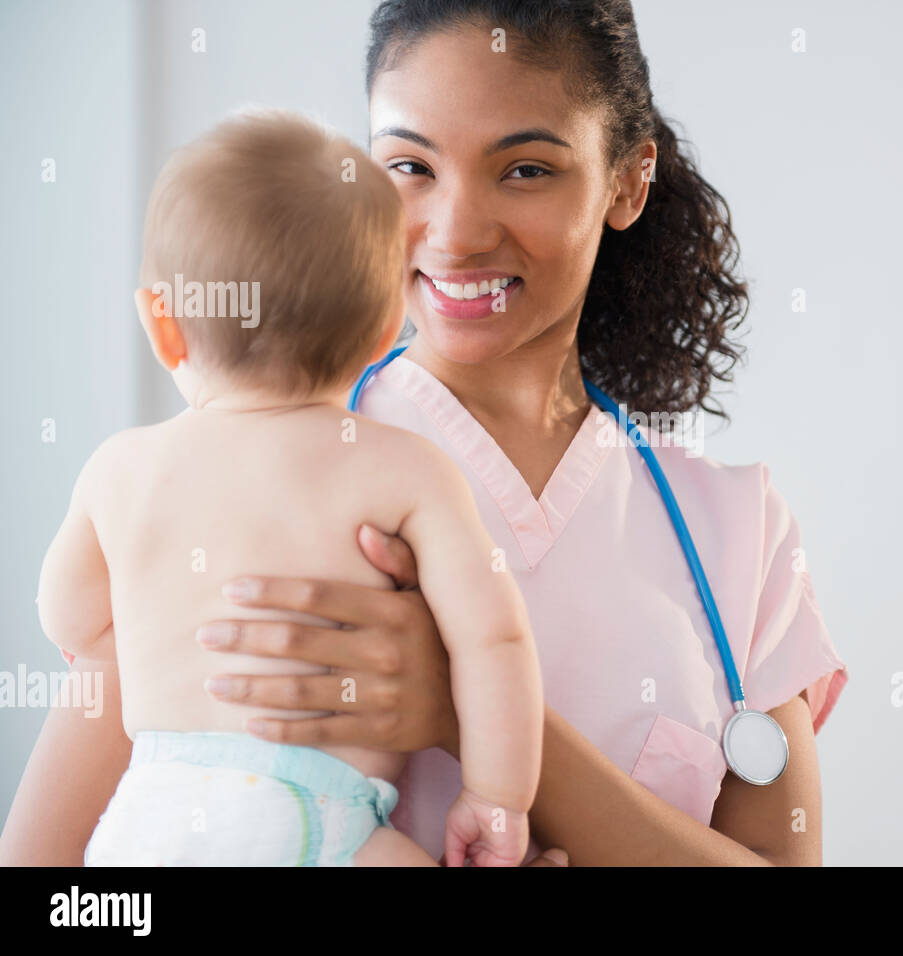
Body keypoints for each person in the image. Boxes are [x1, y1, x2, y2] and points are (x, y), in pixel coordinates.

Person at [1, 0, 847, 867]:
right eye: (410, 165)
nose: (458, 232)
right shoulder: (227, 474)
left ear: (627, 182)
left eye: (525, 170)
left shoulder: (739, 534)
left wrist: (457, 711)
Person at [36, 110, 544, 867]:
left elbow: (69, 619)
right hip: (319, 818)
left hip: (150, 816)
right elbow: (494, 638)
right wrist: (497, 801)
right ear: (383, 336)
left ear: (163, 326)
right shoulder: (407, 468)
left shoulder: (120, 468)